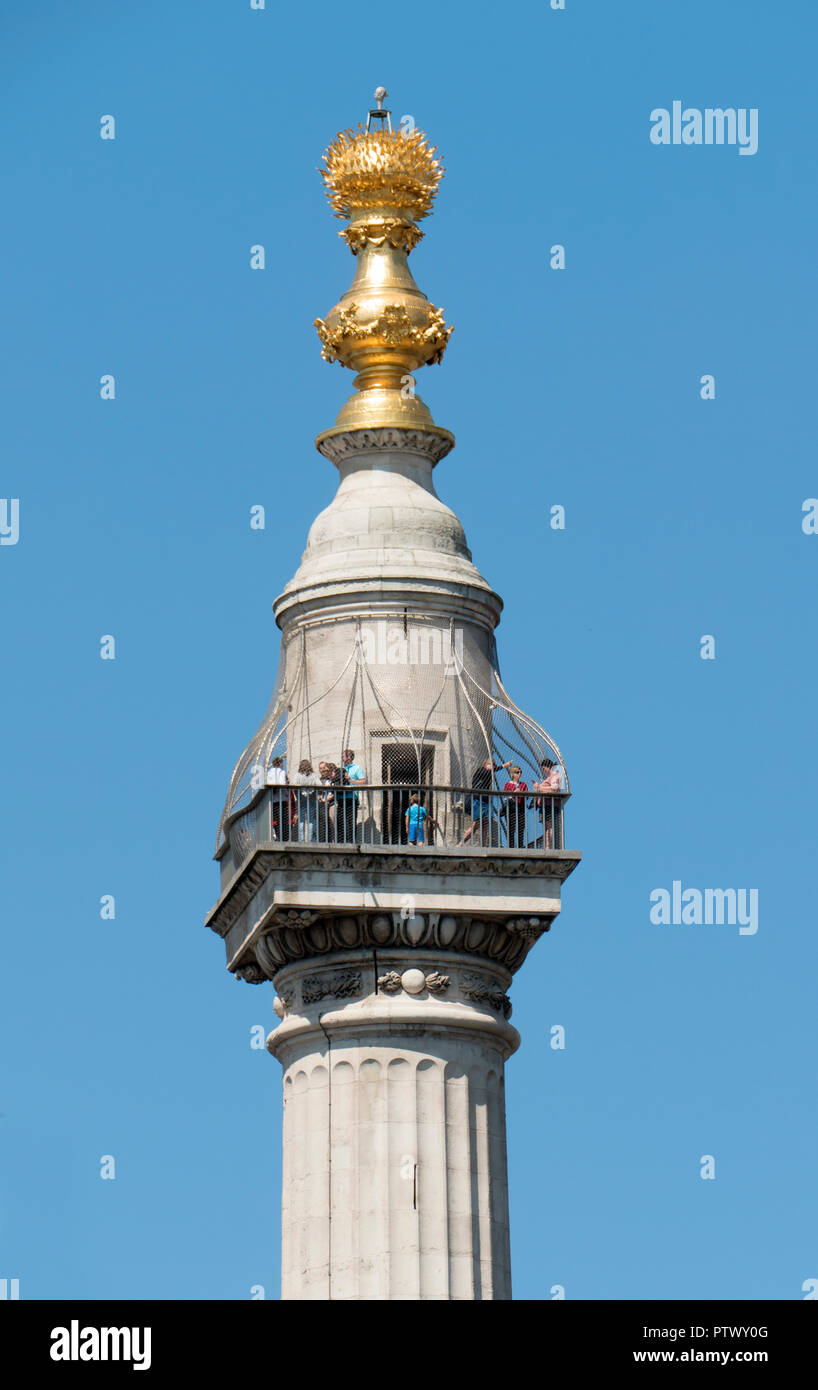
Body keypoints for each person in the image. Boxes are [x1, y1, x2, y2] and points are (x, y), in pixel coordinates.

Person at [460, 757, 514, 846]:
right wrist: (504, 765)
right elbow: (490, 771)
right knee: (476, 825)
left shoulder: (489, 773)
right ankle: (461, 844)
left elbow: (492, 770)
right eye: (491, 764)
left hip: (485, 801)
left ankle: (483, 846)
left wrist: (503, 766)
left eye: (494, 765)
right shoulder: (481, 771)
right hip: (477, 800)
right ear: (485, 764)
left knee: (485, 824)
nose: (493, 767)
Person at [533, 757, 562, 849]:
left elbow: (554, 789)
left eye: (543, 768)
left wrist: (540, 788)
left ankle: (549, 847)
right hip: (546, 806)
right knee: (547, 828)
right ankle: (547, 846)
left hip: (550, 806)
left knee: (549, 827)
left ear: (546, 767)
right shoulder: (550, 777)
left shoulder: (554, 776)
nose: (543, 770)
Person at [292, 759, 320, 842]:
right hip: (311, 798)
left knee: (301, 820)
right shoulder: (313, 775)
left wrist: (299, 795)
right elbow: (319, 785)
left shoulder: (297, 775)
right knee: (311, 820)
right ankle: (311, 839)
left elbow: (293, 785)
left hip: (301, 798)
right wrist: (313, 791)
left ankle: (301, 839)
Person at [502, 765, 528, 848]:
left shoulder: (523, 784)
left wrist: (521, 793)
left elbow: (527, 796)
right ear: (513, 774)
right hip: (511, 808)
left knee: (521, 828)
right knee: (511, 828)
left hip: (520, 808)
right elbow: (506, 796)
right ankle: (511, 847)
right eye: (517, 772)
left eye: (520, 772)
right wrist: (514, 792)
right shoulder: (507, 784)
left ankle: (520, 846)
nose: (519, 774)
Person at [266, 755, 290, 841]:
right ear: (280, 763)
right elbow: (282, 783)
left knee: (275, 820)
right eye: (282, 763)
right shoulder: (281, 772)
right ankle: (284, 838)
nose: (283, 765)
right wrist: (287, 794)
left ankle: (277, 836)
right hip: (282, 799)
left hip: (273, 800)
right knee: (283, 820)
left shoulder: (269, 773)